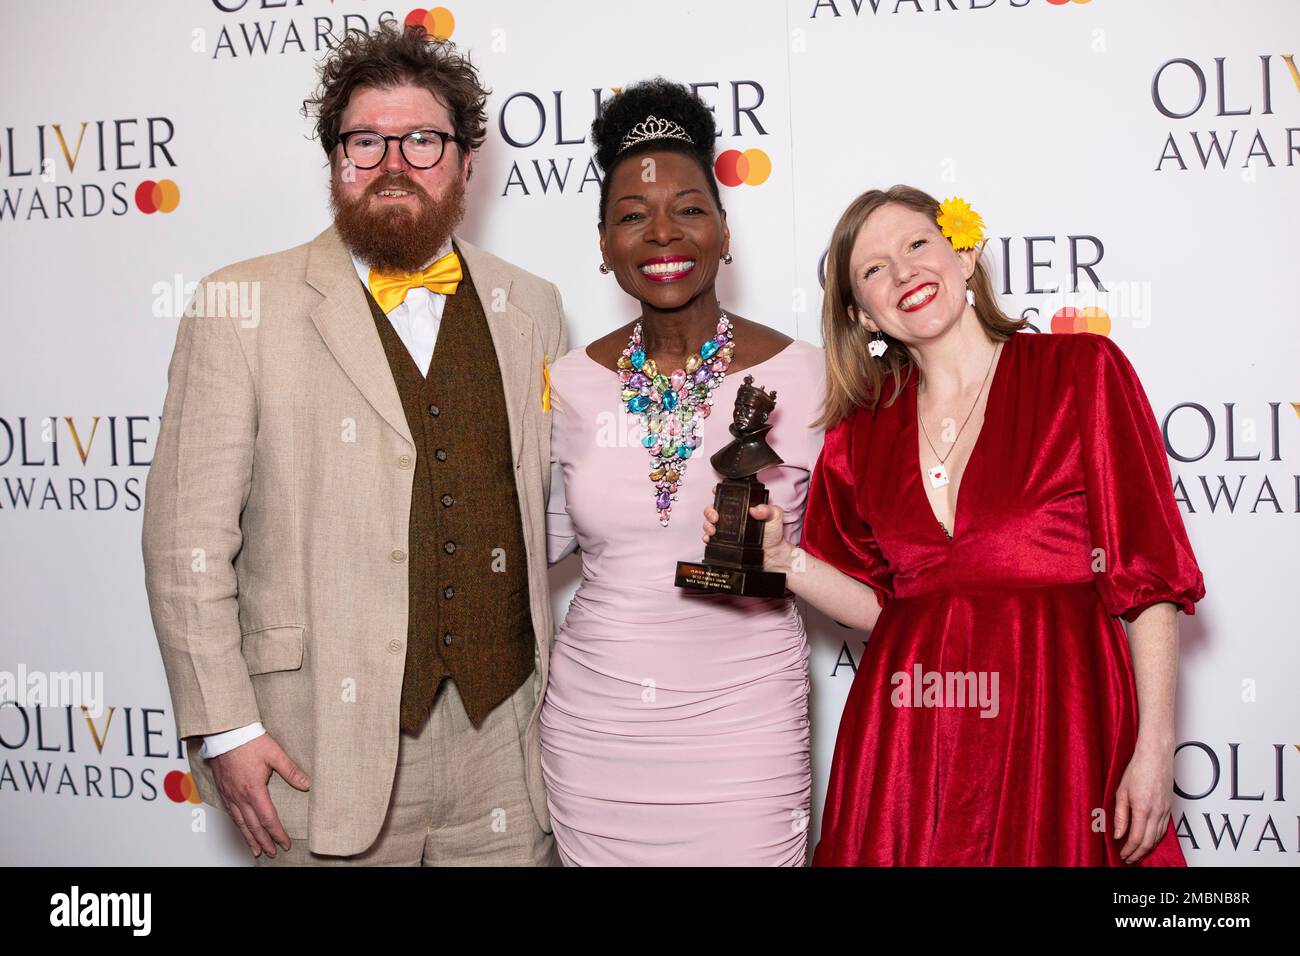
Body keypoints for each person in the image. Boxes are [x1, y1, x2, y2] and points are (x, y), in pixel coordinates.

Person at [141, 23, 567, 866]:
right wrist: (226, 728)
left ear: (466, 164)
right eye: (365, 141)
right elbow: (184, 543)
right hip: (319, 749)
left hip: (508, 750)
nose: (393, 162)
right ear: (336, 160)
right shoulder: (240, 306)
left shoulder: (534, 306)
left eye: (422, 139)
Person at [705, 184, 1205, 866]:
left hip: (1061, 722)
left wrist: (1154, 748)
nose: (903, 271)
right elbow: (884, 612)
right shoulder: (859, 436)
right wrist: (784, 559)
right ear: (864, 316)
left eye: (916, 245)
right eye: (873, 269)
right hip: (910, 749)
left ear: (963, 257)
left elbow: (1147, 583)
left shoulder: (1082, 373)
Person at [541, 78, 825, 865]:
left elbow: (870, 552)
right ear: (603, 245)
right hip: (597, 729)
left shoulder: (811, 376)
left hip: (746, 726)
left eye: (689, 209)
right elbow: (527, 543)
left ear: (725, 231)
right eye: (632, 215)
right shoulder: (565, 382)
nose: (663, 233)